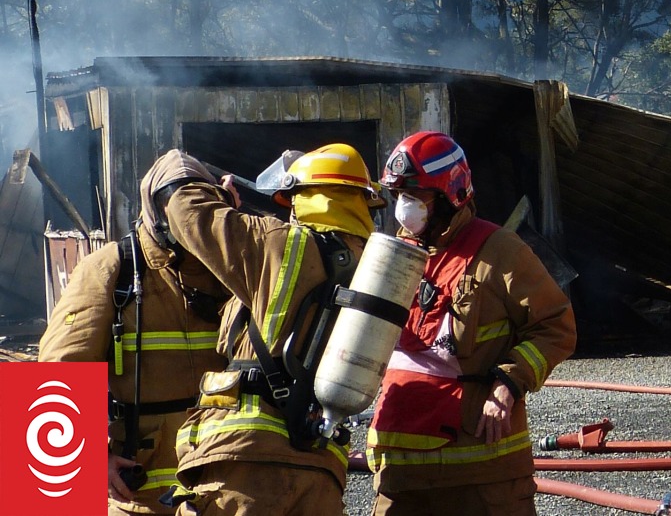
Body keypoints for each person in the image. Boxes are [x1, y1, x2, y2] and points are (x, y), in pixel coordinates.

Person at [162, 143, 385, 515]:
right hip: (319, 464)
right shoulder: (372, 268)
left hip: (246, 462)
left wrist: (179, 166)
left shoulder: (278, 244)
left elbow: (189, 212)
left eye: (293, 197)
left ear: (306, 197)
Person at [366, 131, 577, 516]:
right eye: (399, 195)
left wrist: (509, 382)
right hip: (400, 476)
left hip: (481, 475)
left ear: (451, 195)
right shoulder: (392, 255)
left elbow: (556, 326)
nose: (404, 207)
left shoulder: (499, 251)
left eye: (416, 196)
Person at [38, 150, 230, 516]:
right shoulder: (114, 269)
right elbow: (54, 377)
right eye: (174, 205)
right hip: (140, 496)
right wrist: (93, 459)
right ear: (153, 209)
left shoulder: (234, 265)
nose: (186, 220)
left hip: (224, 487)